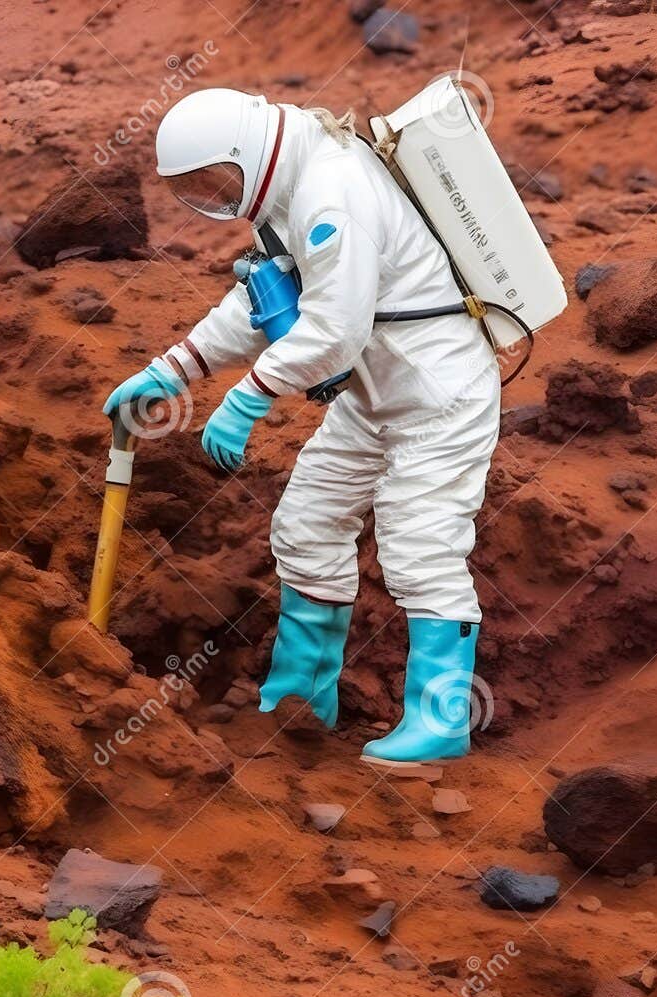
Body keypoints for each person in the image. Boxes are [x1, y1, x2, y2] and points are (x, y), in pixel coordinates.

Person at [102, 88, 499, 767]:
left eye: (218, 180)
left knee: (419, 542)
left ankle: (441, 719)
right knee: (308, 524)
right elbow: (264, 300)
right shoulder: (290, 183)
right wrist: (173, 369)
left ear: (246, 152)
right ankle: (302, 693)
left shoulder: (332, 189)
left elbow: (335, 332)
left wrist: (248, 396)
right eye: (199, 190)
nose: (218, 197)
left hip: (439, 396)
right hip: (375, 400)